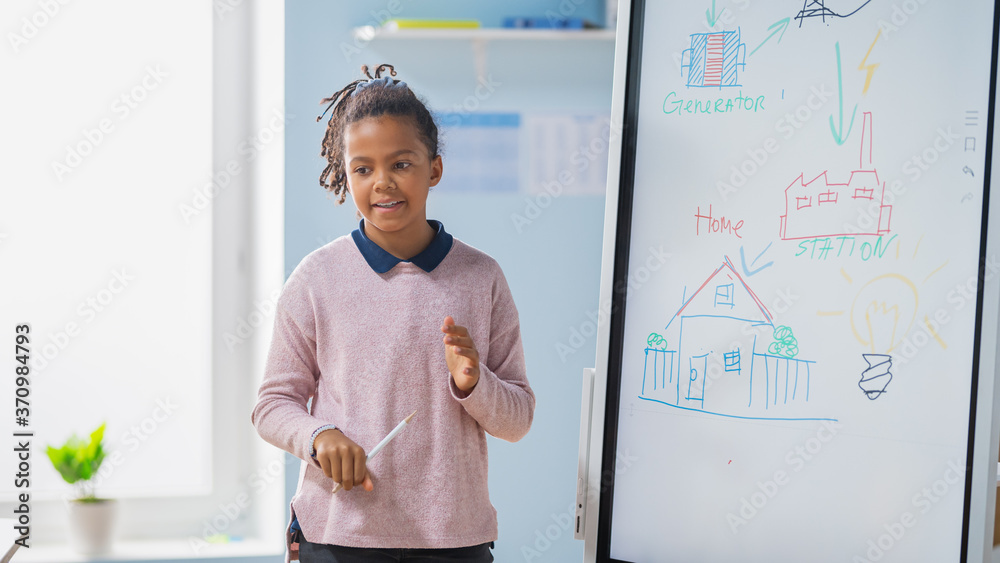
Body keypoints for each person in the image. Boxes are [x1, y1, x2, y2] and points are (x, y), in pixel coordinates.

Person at [251, 63, 535, 563]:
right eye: (363, 169)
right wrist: (319, 436)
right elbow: (273, 405)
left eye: (401, 164)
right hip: (339, 538)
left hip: (453, 543)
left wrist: (474, 383)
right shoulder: (316, 278)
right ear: (346, 173)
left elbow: (517, 420)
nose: (382, 183)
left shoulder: (482, 277)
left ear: (434, 169)